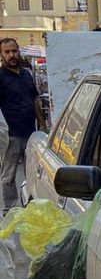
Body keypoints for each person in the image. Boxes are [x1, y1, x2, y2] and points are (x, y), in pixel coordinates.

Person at [0, 37, 47, 213]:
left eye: (14, 50)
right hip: (11, 135)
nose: (11, 55)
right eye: (7, 52)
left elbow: (34, 101)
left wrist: (42, 125)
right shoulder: (1, 77)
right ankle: (10, 210)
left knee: (32, 174)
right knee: (8, 176)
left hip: (30, 133)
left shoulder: (26, 74)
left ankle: (31, 207)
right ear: (1, 55)